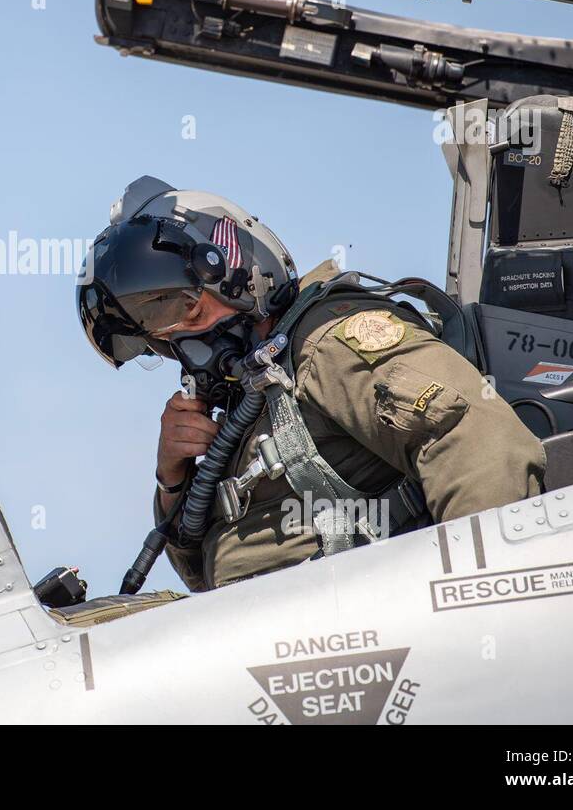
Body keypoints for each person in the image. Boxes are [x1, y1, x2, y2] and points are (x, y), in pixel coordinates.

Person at [77, 176, 545, 592]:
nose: (188, 345)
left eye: (189, 312)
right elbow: (210, 572)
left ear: (239, 272)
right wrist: (173, 478)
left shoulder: (327, 343)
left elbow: (480, 443)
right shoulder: (259, 395)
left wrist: (479, 610)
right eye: (164, 339)